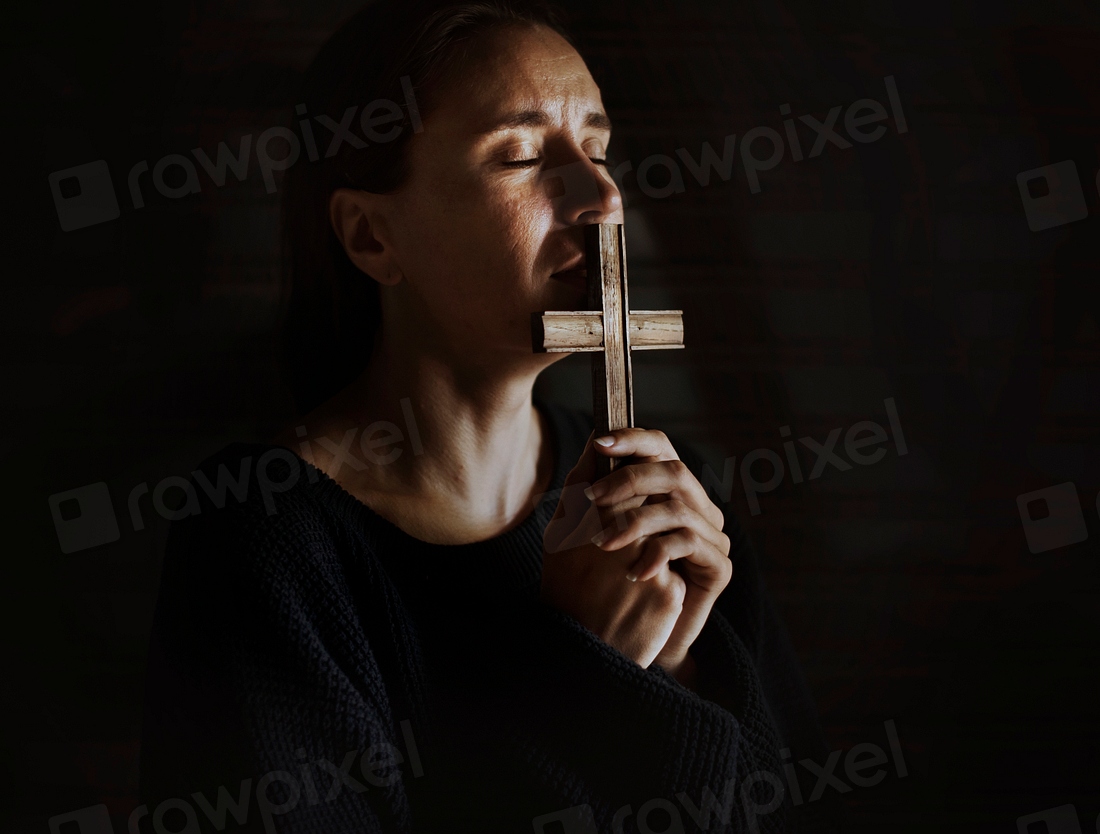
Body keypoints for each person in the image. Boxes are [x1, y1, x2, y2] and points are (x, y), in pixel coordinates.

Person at [139, 2, 843, 831]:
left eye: (600, 149)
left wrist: (683, 668)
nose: (602, 196)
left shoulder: (666, 495)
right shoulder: (263, 537)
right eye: (517, 156)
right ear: (371, 236)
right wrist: (586, 679)